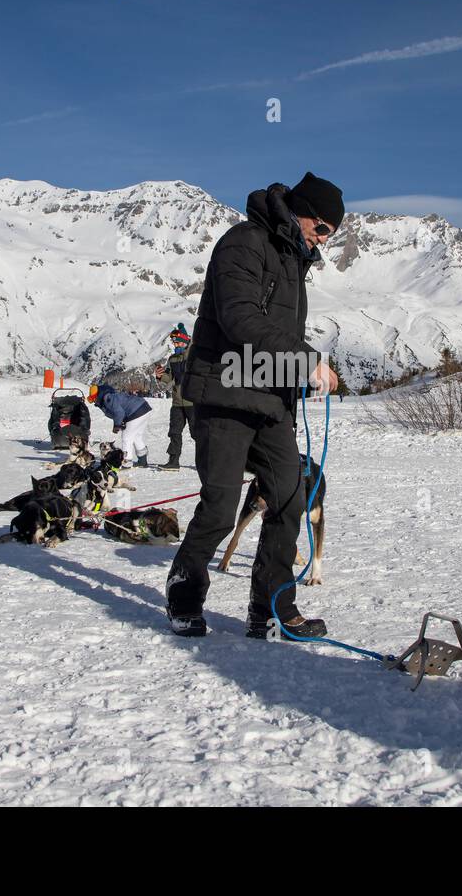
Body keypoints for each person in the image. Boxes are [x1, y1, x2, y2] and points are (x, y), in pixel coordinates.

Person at [165, 171, 341, 640]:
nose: (322, 240)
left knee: (289, 497)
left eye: (330, 235)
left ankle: (272, 609)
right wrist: (305, 360)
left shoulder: (292, 260)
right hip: (223, 394)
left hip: (269, 400)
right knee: (221, 508)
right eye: (322, 228)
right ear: (301, 211)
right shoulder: (243, 242)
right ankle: (184, 593)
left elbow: (273, 337)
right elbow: (240, 319)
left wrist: (296, 381)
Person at [154, 324, 195, 470]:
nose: (175, 345)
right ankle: (173, 461)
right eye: (174, 343)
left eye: (177, 342)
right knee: (174, 432)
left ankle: (207, 461)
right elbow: (170, 377)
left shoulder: (194, 353)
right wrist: (160, 376)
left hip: (193, 401)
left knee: (198, 433)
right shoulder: (173, 359)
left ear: (185, 341)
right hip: (177, 402)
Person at [89, 382, 152, 467]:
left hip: (136, 411)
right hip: (144, 408)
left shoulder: (108, 399)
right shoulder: (111, 396)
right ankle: (142, 461)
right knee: (136, 436)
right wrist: (121, 422)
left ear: (97, 395)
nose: (94, 402)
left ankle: (126, 462)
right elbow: (120, 411)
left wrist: (117, 425)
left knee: (126, 437)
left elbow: (119, 412)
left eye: (94, 399)